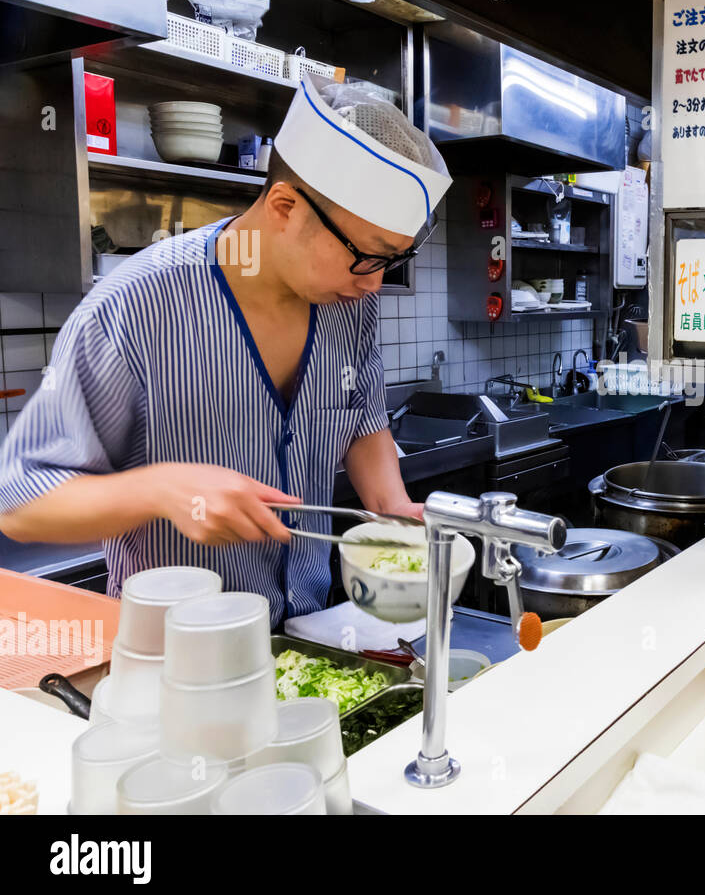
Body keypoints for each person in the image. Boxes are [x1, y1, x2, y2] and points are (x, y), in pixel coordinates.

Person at [0, 78, 452, 627]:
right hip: (179, 645)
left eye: (393, 262)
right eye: (368, 257)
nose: (376, 284)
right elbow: (21, 504)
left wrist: (391, 506)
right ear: (285, 206)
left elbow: (360, 413)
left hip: (307, 630)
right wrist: (165, 489)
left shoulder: (346, 302)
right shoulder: (136, 306)